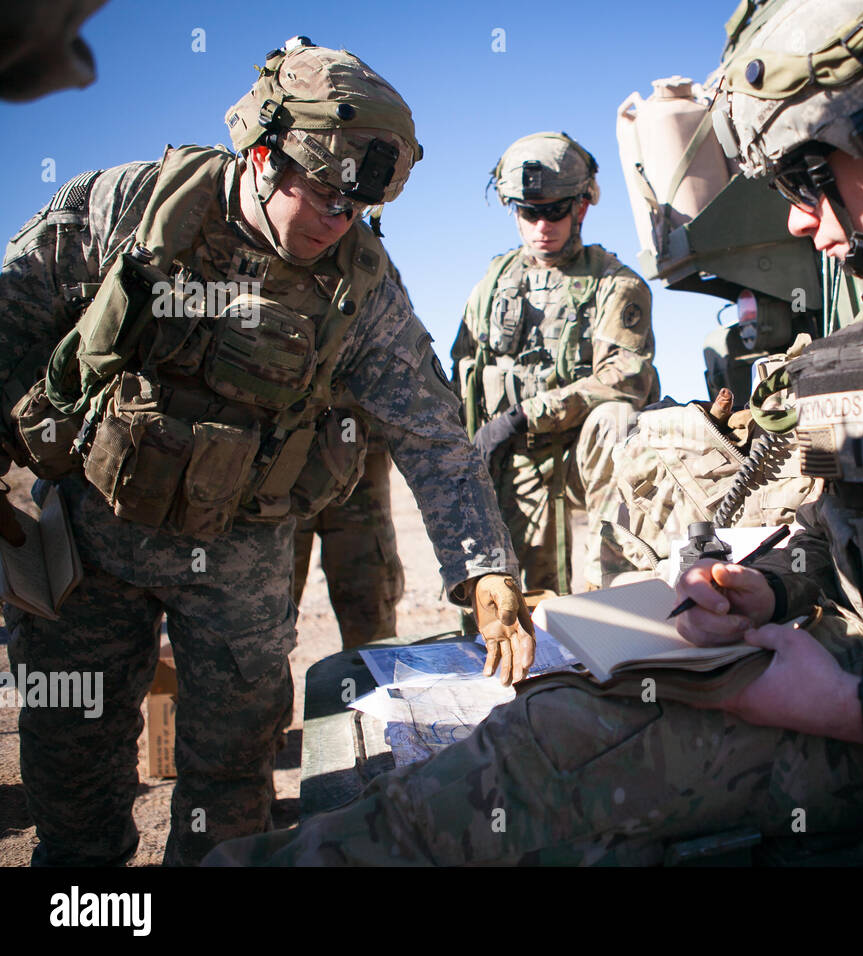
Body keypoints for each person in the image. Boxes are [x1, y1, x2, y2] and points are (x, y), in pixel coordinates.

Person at [206, 0, 863, 866]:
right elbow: (843, 518)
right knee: (554, 746)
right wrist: (771, 588)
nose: (790, 219)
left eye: (806, 177)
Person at [0, 38, 533, 867]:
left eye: (357, 208)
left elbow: (432, 430)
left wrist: (485, 566)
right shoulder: (125, 209)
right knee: (72, 763)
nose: (337, 221)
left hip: (238, 556)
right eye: (324, 194)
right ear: (261, 154)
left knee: (234, 776)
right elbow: (9, 322)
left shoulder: (362, 282)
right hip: (91, 536)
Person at [451, 132, 659, 594]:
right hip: (509, 455)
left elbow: (623, 380)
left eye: (555, 211)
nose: (542, 225)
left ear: (581, 207)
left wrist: (525, 415)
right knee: (508, 595)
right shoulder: (494, 280)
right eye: (530, 212)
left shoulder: (616, 284)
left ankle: (616, 596)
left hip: (579, 455)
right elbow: (464, 365)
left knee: (617, 419)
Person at [292, 440, 404, 649]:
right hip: (273, 453)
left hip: (359, 450)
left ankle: (373, 680)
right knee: (262, 616)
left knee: (371, 613)